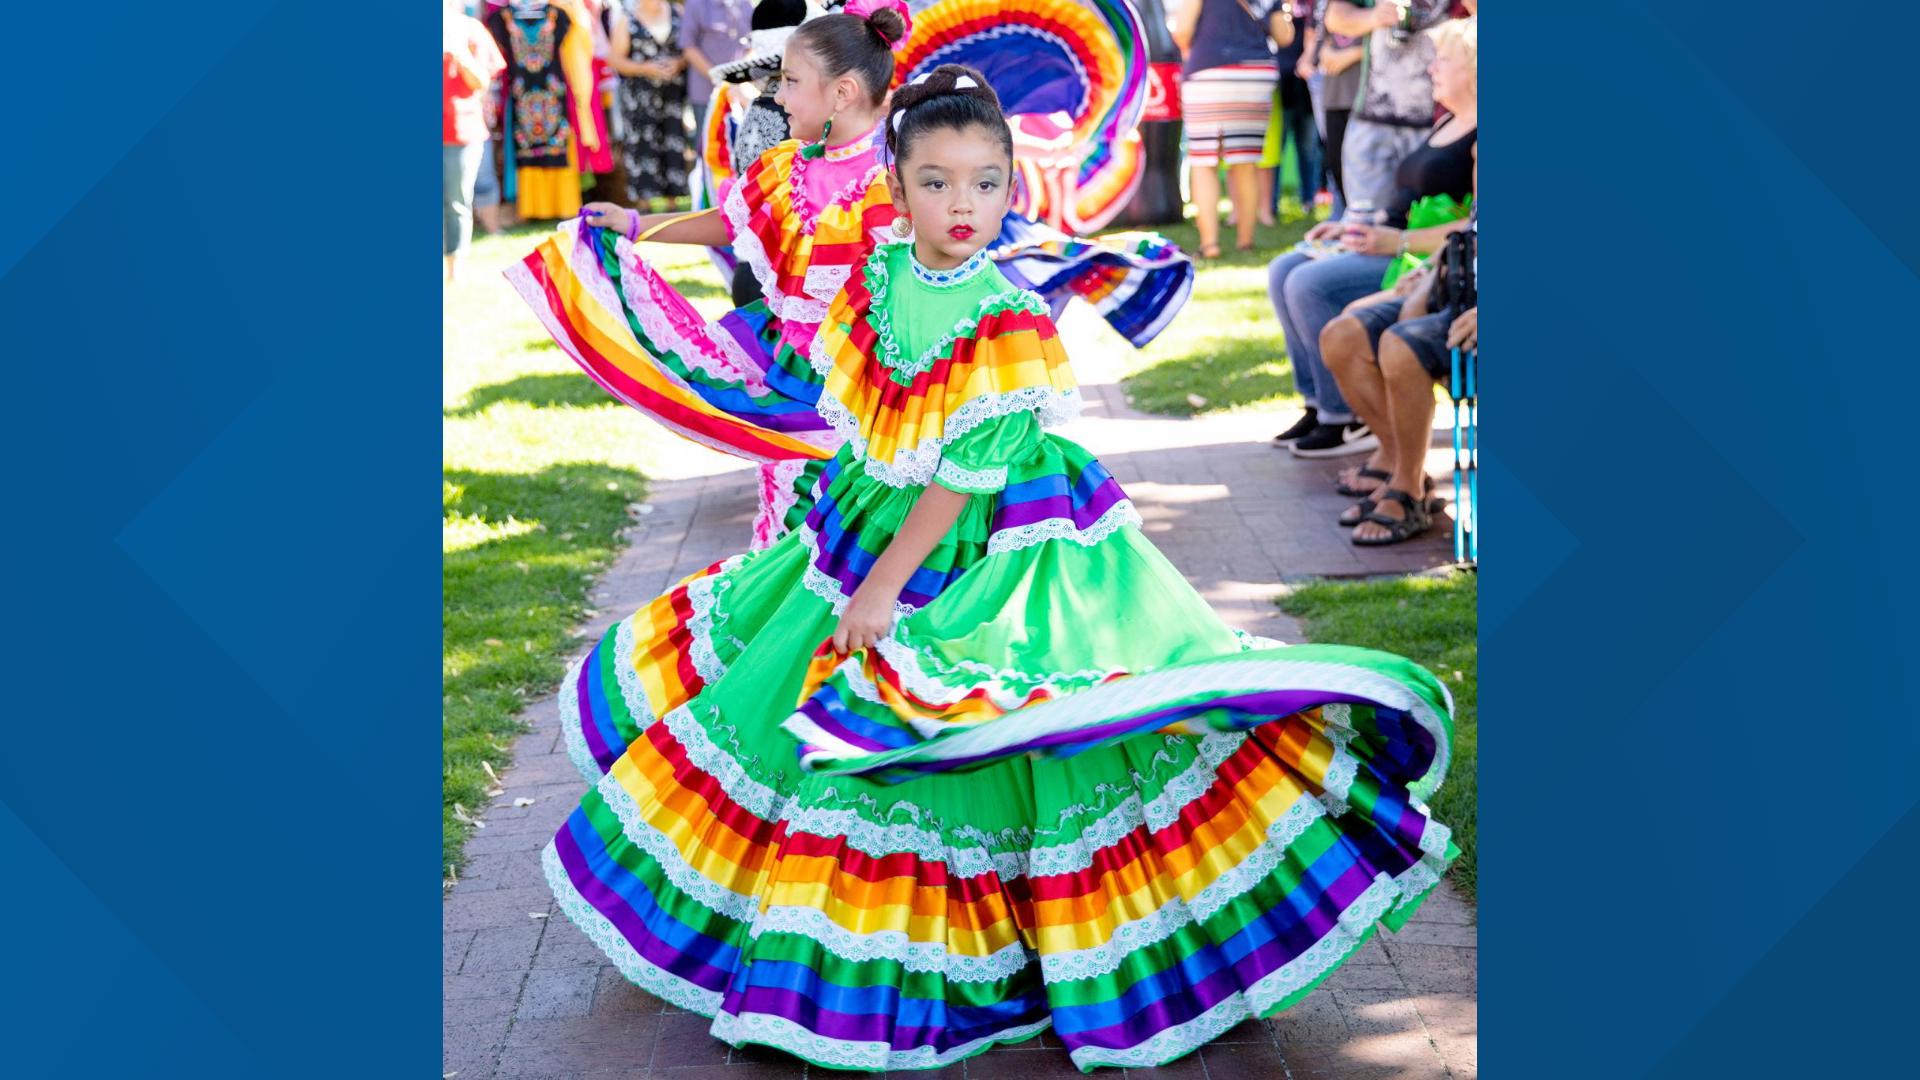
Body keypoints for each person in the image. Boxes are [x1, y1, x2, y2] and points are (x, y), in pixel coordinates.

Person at [538, 62, 1458, 1072]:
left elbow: (962, 481)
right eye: (935, 181)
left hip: (1003, 552)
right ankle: (882, 943)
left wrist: (885, 585)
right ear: (896, 181)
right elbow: (865, 415)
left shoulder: (1006, 316)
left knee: (1015, 718)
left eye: (984, 182)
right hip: (877, 519)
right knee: (807, 714)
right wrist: (838, 524)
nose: (961, 204)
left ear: (1012, 185)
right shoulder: (878, 276)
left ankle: (1050, 947)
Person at [1267, 8, 1472, 457]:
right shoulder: (1446, 120)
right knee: (1285, 267)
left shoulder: (1477, 136)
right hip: (1390, 241)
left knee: (1308, 284)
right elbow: (1403, 207)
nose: (1432, 68)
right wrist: (1355, 226)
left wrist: (1394, 242)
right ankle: (1320, 405)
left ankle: (1347, 419)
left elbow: (1472, 227)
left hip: (1415, 257)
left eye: (1443, 62)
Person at [1171, 0, 1294, 258]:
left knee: (1204, 162)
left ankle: (1210, 245)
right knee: (1246, 160)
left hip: (1209, 69)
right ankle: (1245, 242)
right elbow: (1284, 36)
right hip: (1256, 72)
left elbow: (1182, 30)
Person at [1324, 0, 1453, 211]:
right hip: (1373, 124)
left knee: (1431, 226)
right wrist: (1373, 17)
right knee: (1367, 226)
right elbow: (1335, 17)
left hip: (1440, 126)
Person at [485, 0, 604, 220]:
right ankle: (531, 209)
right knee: (526, 148)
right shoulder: (501, 20)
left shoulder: (561, 16)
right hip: (524, 99)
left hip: (553, 98)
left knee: (557, 145)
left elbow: (582, 53)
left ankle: (563, 206)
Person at [445, 1, 508, 281]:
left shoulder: (471, 30)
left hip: (460, 128)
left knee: (457, 199)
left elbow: (482, 80)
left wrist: (459, 53)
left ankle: (453, 269)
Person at [608, 0, 693, 207]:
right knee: (642, 146)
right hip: (639, 96)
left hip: (672, 93)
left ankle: (673, 203)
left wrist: (679, 63)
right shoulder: (627, 19)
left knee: (673, 141)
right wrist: (644, 68)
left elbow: (688, 51)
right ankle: (644, 204)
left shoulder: (678, 12)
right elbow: (614, 60)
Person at [1302, 0, 1367, 209]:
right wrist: (1322, 54)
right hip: (1334, 90)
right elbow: (1326, 26)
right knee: (1336, 160)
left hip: (1365, 94)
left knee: (1362, 166)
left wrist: (1357, 53)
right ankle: (1346, 216)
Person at [679, 0, 754, 152]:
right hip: (706, 94)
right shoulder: (696, 4)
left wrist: (737, 79)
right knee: (707, 149)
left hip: (738, 94)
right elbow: (688, 47)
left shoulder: (746, 4)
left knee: (740, 149)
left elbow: (751, 46)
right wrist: (721, 79)